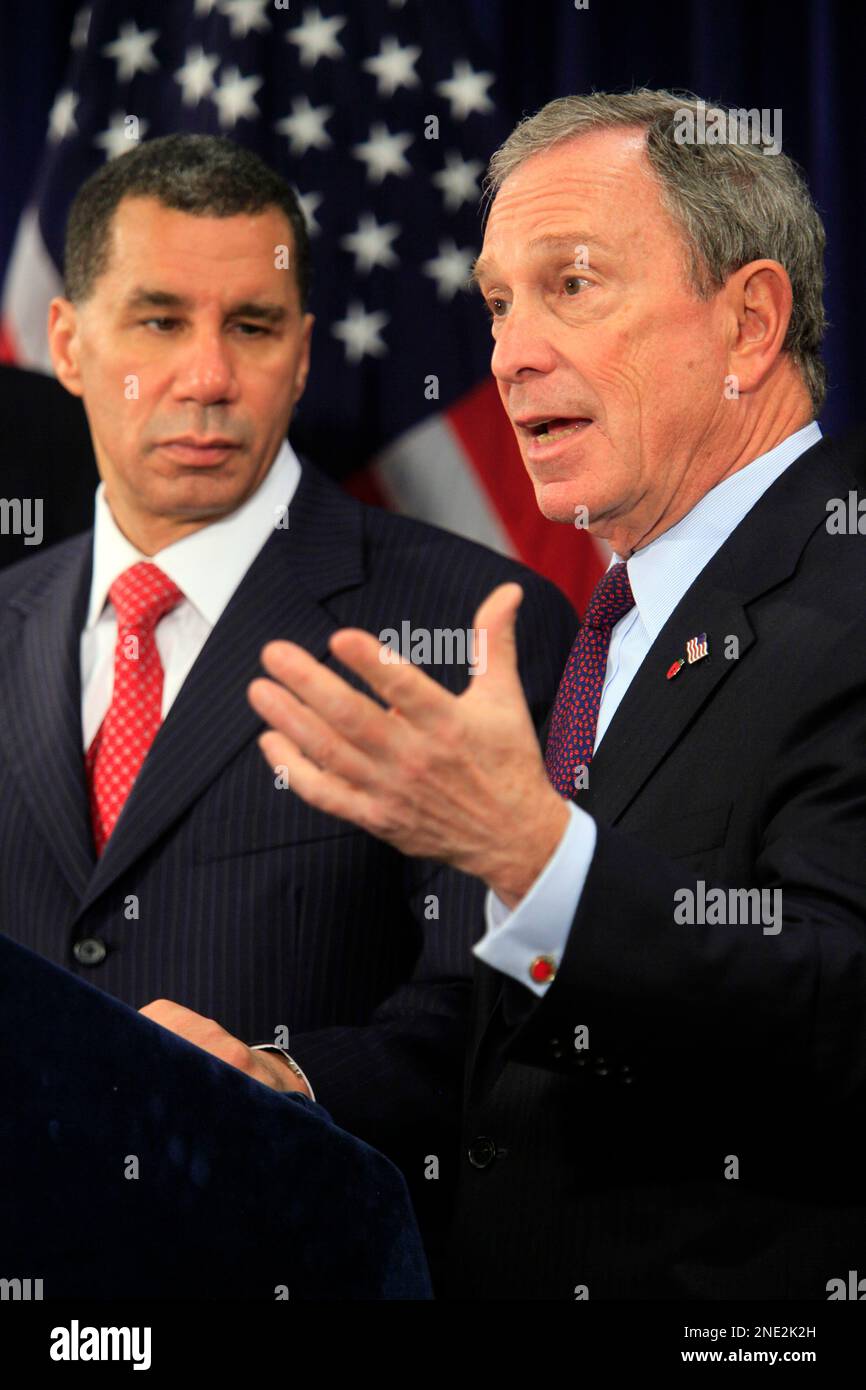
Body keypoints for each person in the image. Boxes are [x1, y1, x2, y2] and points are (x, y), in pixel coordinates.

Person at [248, 90, 866, 1300]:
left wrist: (533, 858)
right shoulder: (607, 624)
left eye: (570, 285)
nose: (510, 352)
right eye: (495, 303)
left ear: (747, 325)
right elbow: (523, 1042)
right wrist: (289, 1083)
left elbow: (840, 1009)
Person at [0, 133, 576, 1273]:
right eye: (160, 321)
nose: (207, 377)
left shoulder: (471, 626)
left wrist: (281, 1081)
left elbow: (504, 1011)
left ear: (304, 354)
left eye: (252, 327)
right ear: (68, 343)